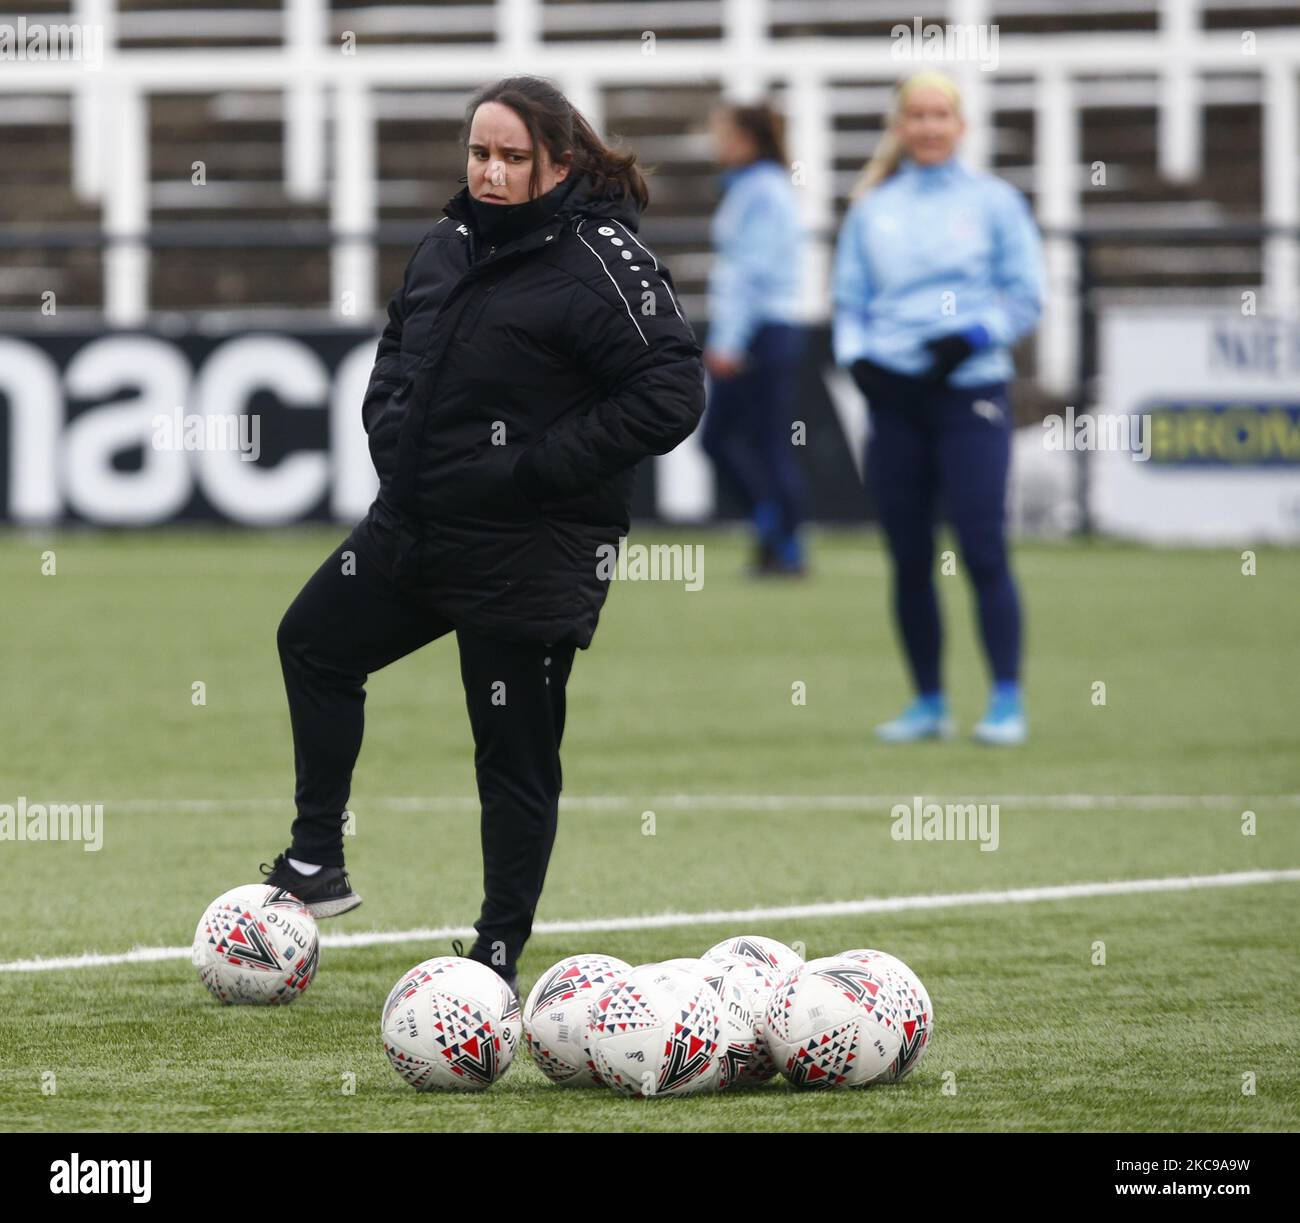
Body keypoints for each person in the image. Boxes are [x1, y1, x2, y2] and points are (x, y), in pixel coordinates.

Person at [261, 76, 706, 998]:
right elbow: (396, 345)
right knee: (312, 640)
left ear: (560, 163)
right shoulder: (448, 239)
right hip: (416, 528)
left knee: (511, 756)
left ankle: (496, 954)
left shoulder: (603, 259)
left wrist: (534, 470)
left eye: (511, 157)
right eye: (478, 153)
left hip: (529, 551)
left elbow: (671, 394)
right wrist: (387, 428)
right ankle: (315, 860)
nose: (491, 172)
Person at [833, 71, 1043, 745]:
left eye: (940, 115)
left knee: (981, 543)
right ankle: (928, 701)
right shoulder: (872, 209)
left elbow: (1025, 295)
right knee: (909, 552)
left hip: (970, 391)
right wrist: (861, 362)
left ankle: (1006, 699)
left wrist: (973, 337)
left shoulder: (995, 204)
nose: (927, 127)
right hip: (896, 398)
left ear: (961, 125)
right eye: (916, 116)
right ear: (899, 127)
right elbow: (851, 303)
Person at [700, 101, 808, 575]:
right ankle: (775, 536)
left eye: (722, 134)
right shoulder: (756, 189)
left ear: (746, 139)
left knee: (741, 441)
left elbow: (751, 273)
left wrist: (728, 341)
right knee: (754, 442)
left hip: (758, 333)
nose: (715, 144)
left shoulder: (760, 193)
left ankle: (782, 540)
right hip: (763, 331)